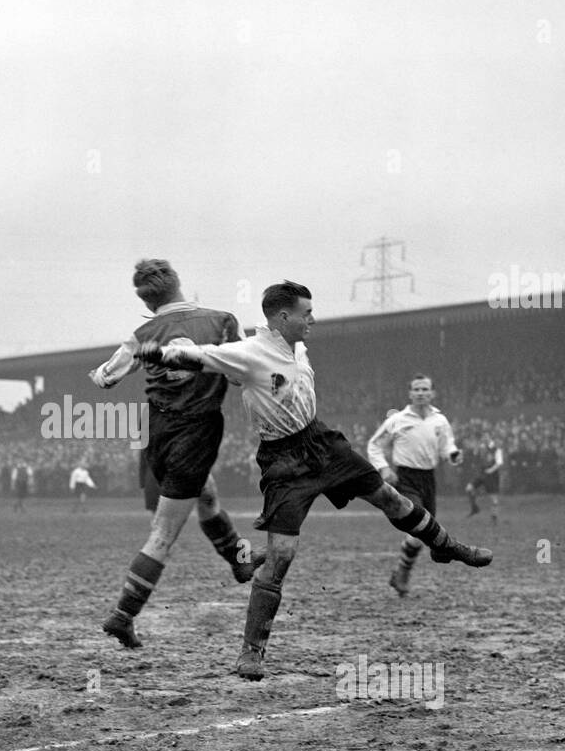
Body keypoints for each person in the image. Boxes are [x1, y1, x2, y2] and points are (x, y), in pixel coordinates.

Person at [139, 281, 491, 681]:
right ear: (283, 317)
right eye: (306, 312)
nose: (312, 318)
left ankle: (445, 547)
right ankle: (251, 653)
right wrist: (158, 351)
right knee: (281, 555)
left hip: (322, 442)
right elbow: (202, 356)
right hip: (284, 461)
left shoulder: (298, 346)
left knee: (390, 498)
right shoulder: (249, 354)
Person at [89, 258, 264, 649]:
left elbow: (105, 378)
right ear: (178, 283)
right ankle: (123, 615)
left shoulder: (143, 331)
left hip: (156, 429)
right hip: (195, 429)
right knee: (163, 534)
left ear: (146, 300)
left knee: (207, 494)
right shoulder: (221, 320)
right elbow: (237, 374)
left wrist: (120, 366)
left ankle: (239, 560)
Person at [367, 374, 463, 598]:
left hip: (428, 479)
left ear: (432, 393)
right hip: (406, 480)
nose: (421, 393)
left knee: (424, 533)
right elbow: (374, 445)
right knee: (419, 526)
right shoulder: (397, 420)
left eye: (425, 389)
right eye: (417, 389)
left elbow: (446, 445)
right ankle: (402, 574)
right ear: (410, 393)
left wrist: (453, 454)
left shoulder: (440, 420)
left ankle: (401, 571)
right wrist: (384, 468)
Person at [466, 436, 504, 522]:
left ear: (490, 439)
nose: (484, 439)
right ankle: (475, 508)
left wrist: (491, 470)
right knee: (469, 488)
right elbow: (476, 456)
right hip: (482, 474)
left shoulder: (497, 449)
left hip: (492, 476)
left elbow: (499, 463)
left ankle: (494, 517)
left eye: (486, 437)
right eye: (483, 438)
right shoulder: (482, 447)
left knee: (493, 498)